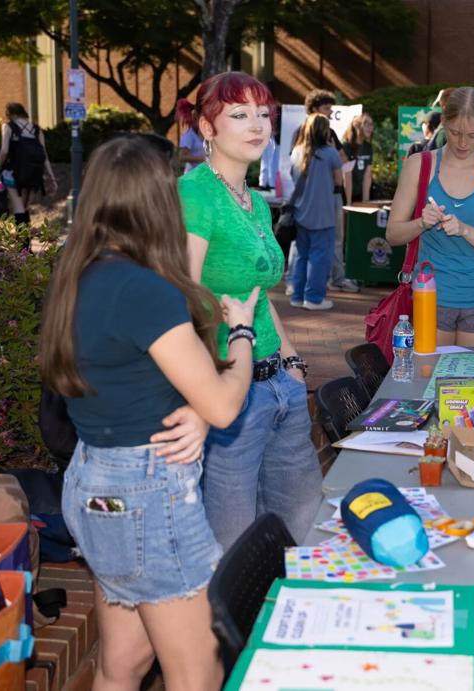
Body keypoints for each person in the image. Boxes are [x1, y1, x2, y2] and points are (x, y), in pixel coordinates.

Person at [39, 135, 260, 690]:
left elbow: (145, 381)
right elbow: (224, 402)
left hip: (94, 488)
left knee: (124, 666)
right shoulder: (144, 291)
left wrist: (197, 408)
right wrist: (242, 334)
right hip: (146, 498)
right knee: (200, 672)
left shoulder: (76, 276)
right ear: (158, 202)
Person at [177, 71, 323, 549]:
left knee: (301, 521)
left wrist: (293, 362)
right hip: (229, 393)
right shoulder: (196, 193)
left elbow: (260, 296)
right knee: (233, 540)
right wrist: (205, 396)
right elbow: (185, 296)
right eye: (239, 114)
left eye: (263, 114)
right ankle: (240, 626)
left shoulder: (255, 203)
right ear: (207, 126)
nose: (258, 125)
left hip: (278, 383)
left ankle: (295, 613)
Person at [386, 86, 474, 347]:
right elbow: (392, 235)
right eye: (455, 132)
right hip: (429, 297)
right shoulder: (419, 166)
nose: (462, 143)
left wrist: (465, 230)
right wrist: (422, 222)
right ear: (443, 121)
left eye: (472, 135)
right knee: (427, 380)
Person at [304, 89, 360, 293]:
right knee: (333, 238)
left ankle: (304, 281)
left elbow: (344, 159)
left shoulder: (304, 135)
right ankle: (335, 279)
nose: (329, 113)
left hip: (311, 196)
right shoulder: (322, 137)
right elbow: (342, 162)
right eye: (326, 108)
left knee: (307, 240)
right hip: (328, 195)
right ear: (315, 109)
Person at [289, 113, 343, 310]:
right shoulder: (330, 153)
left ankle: (297, 295)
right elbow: (339, 181)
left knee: (302, 256)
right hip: (323, 213)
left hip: (300, 212)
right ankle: (313, 298)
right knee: (320, 257)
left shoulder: (297, 151)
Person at [0, 102, 57, 227]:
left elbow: (4, 151)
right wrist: (51, 176)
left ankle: (23, 245)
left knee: (18, 208)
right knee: (25, 208)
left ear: (10, 114)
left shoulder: (8, 126)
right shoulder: (36, 129)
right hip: (34, 175)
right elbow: (44, 155)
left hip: (14, 174)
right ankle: (25, 245)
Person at [343, 113, 375, 204]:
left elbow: (367, 176)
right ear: (357, 126)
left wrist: (365, 202)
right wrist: (348, 203)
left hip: (360, 194)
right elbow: (347, 176)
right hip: (346, 195)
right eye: (366, 123)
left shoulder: (368, 147)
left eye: (371, 124)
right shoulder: (346, 147)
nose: (370, 127)